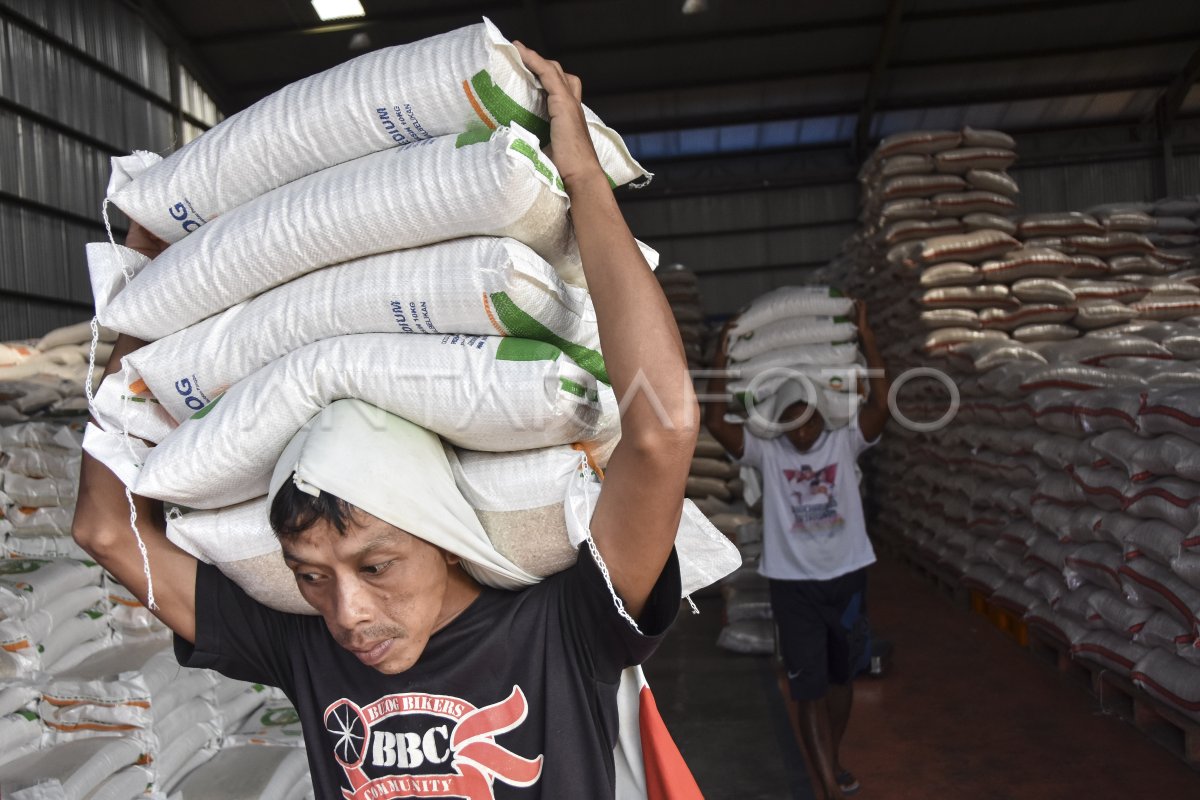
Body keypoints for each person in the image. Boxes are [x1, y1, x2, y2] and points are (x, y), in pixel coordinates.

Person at [73, 43, 700, 799]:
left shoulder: (560, 629)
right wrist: (148, 305)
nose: (349, 612)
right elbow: (107, 533)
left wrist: (583, 178)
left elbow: (660, 430)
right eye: (309, 577)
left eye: (376, 566)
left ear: (442, 535)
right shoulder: (302, 645)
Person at [705, 301, 890, 800]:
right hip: (793, 587)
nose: (802, 431)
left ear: (819, 415)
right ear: (780, 424)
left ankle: (833, 758)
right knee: (807, 688)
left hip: (848, 578)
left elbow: (880, 405)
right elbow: (717, 422)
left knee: (842, 679)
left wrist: (867, 338)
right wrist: (721, 358)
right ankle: (828, 786)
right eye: (791, 422)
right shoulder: (768, 453)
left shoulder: (844, 442)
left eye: (807, 420)